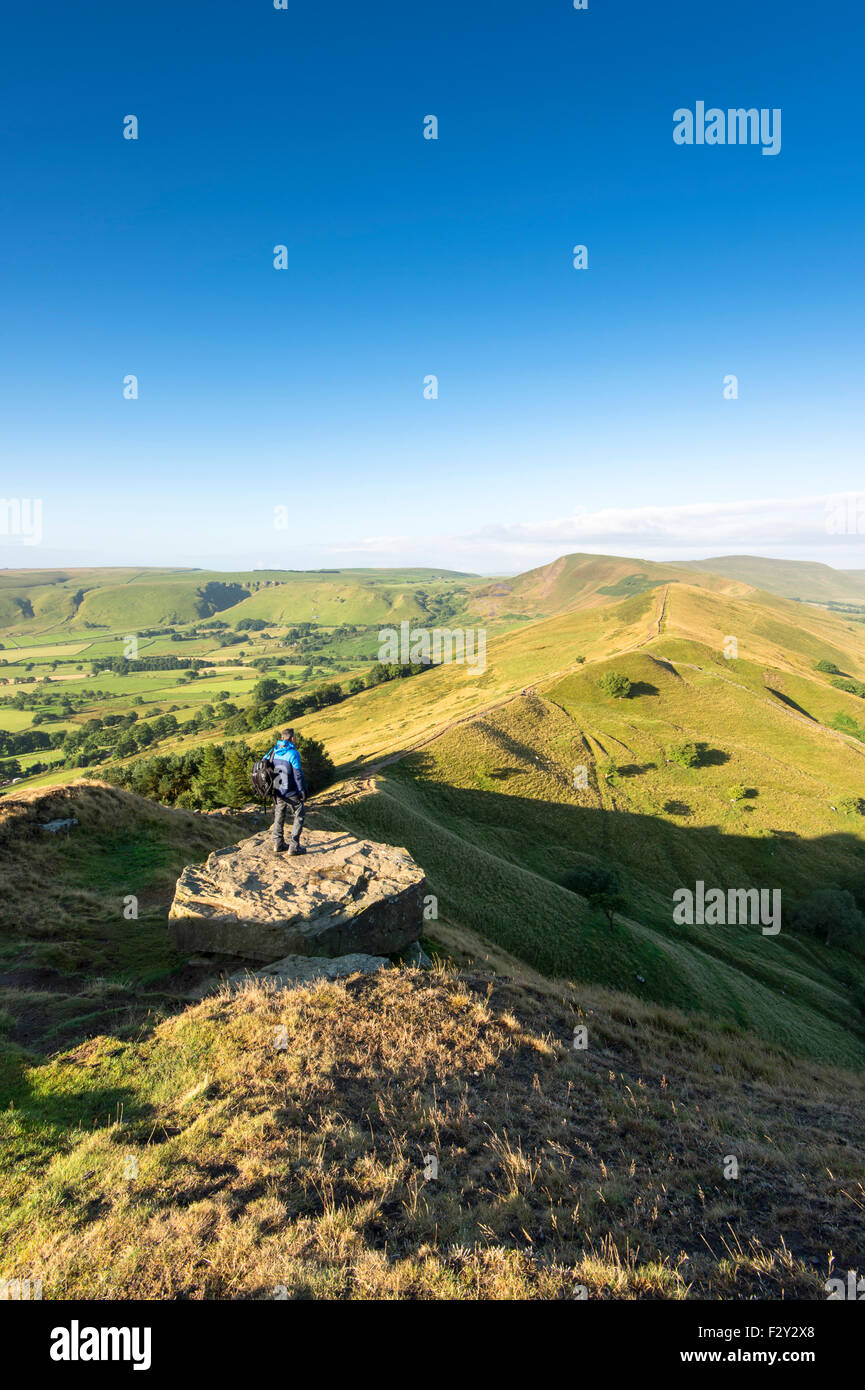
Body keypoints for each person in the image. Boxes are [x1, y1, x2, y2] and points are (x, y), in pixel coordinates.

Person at [265, 728, 307, 855]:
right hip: (291, 791)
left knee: (279, 815)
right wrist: (302, 790)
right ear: (292, 739)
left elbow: (265, 764)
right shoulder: (293, 753)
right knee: (299, 815)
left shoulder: (273, 751)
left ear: (282, 738)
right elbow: (298, 774)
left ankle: (278, 844)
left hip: (277, 790)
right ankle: (294, 847)